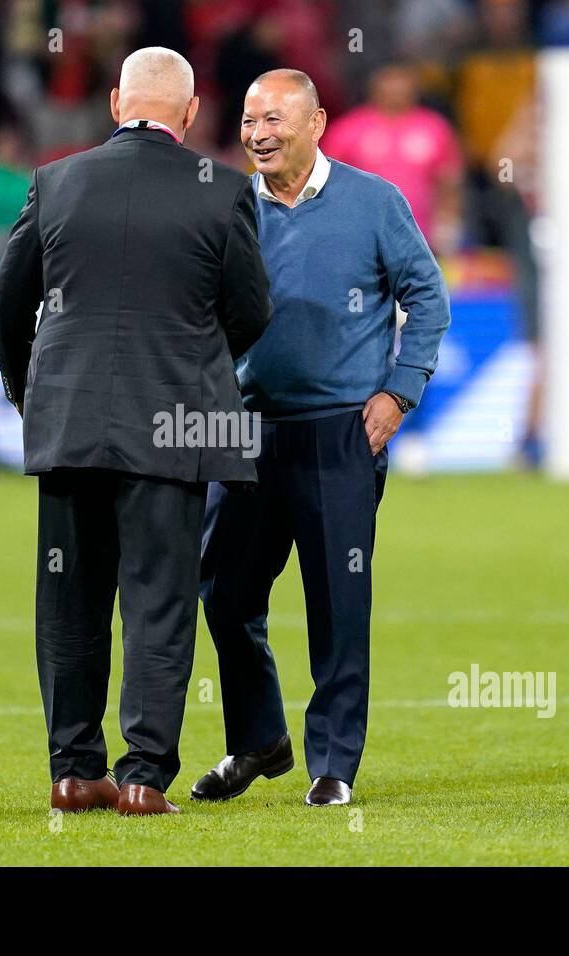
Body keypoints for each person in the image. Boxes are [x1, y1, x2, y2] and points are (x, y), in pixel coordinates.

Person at [0, 47, 271, 816]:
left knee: (69, 601)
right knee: (160, 602)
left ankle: (75, 772)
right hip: (176, 427)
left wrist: (29, 393)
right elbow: (251, 309)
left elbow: (5, 307)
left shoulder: (56, 181)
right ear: (188, 113)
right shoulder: (223, 192)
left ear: (116, 103)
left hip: (70, 424)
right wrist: (195, 363)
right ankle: (142, 776)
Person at [191, 69, 450, 808]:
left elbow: (428, 296)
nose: (257, 133)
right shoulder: (230, 206)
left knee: (338, 602)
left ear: (317, 122)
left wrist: (401, 391)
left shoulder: (374, 202)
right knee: (225, 593)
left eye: (273, 118)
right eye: (247, 120)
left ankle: (332, 763)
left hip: (341, 433)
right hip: (246, 429)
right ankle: (257, 739)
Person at [321, 62, 462, 248]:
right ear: (375, 88)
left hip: (420, 237)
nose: (396, 91)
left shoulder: (435, 127)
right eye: (390, 84)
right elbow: (326, 181)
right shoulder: (347, 129)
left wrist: (447, 223)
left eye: (401, 84)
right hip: (362, 237)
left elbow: (449, 179)